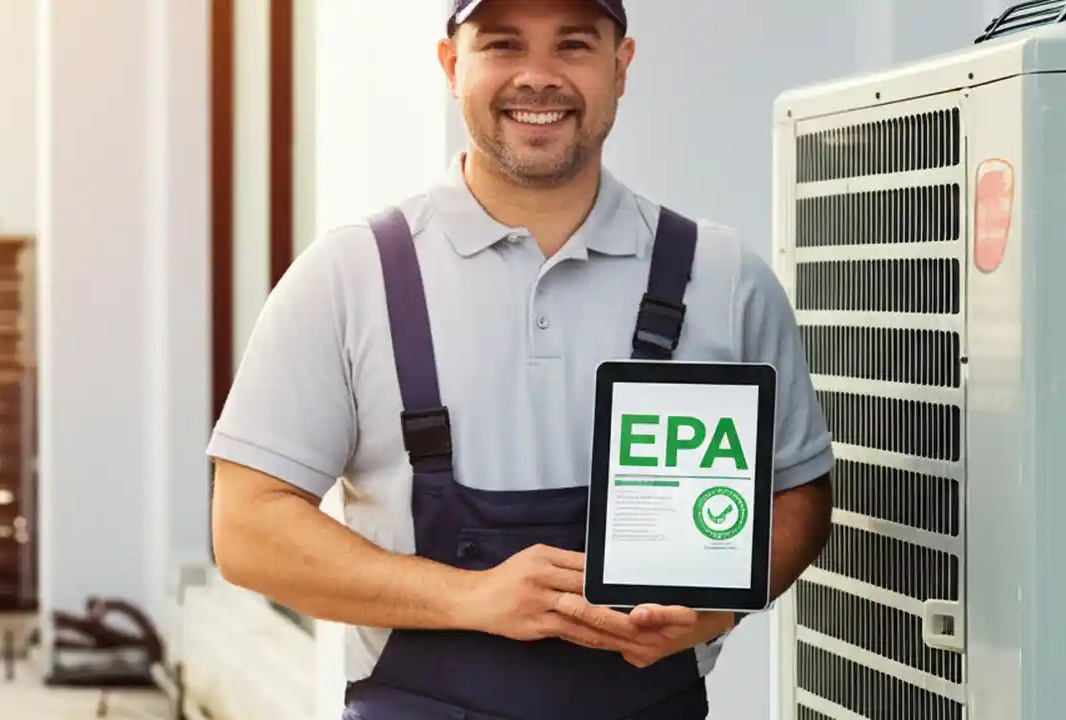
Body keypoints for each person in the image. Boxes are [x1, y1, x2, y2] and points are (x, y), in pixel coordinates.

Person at [207, 0, 835, 717]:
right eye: (503, 46)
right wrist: (470, 596)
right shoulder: (353, 277)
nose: (538, 78)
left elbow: (799, 494)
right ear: (452, 66)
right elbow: (247, 527)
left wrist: (717, 612)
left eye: (572, 46)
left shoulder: (723, 278)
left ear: (621, 67)